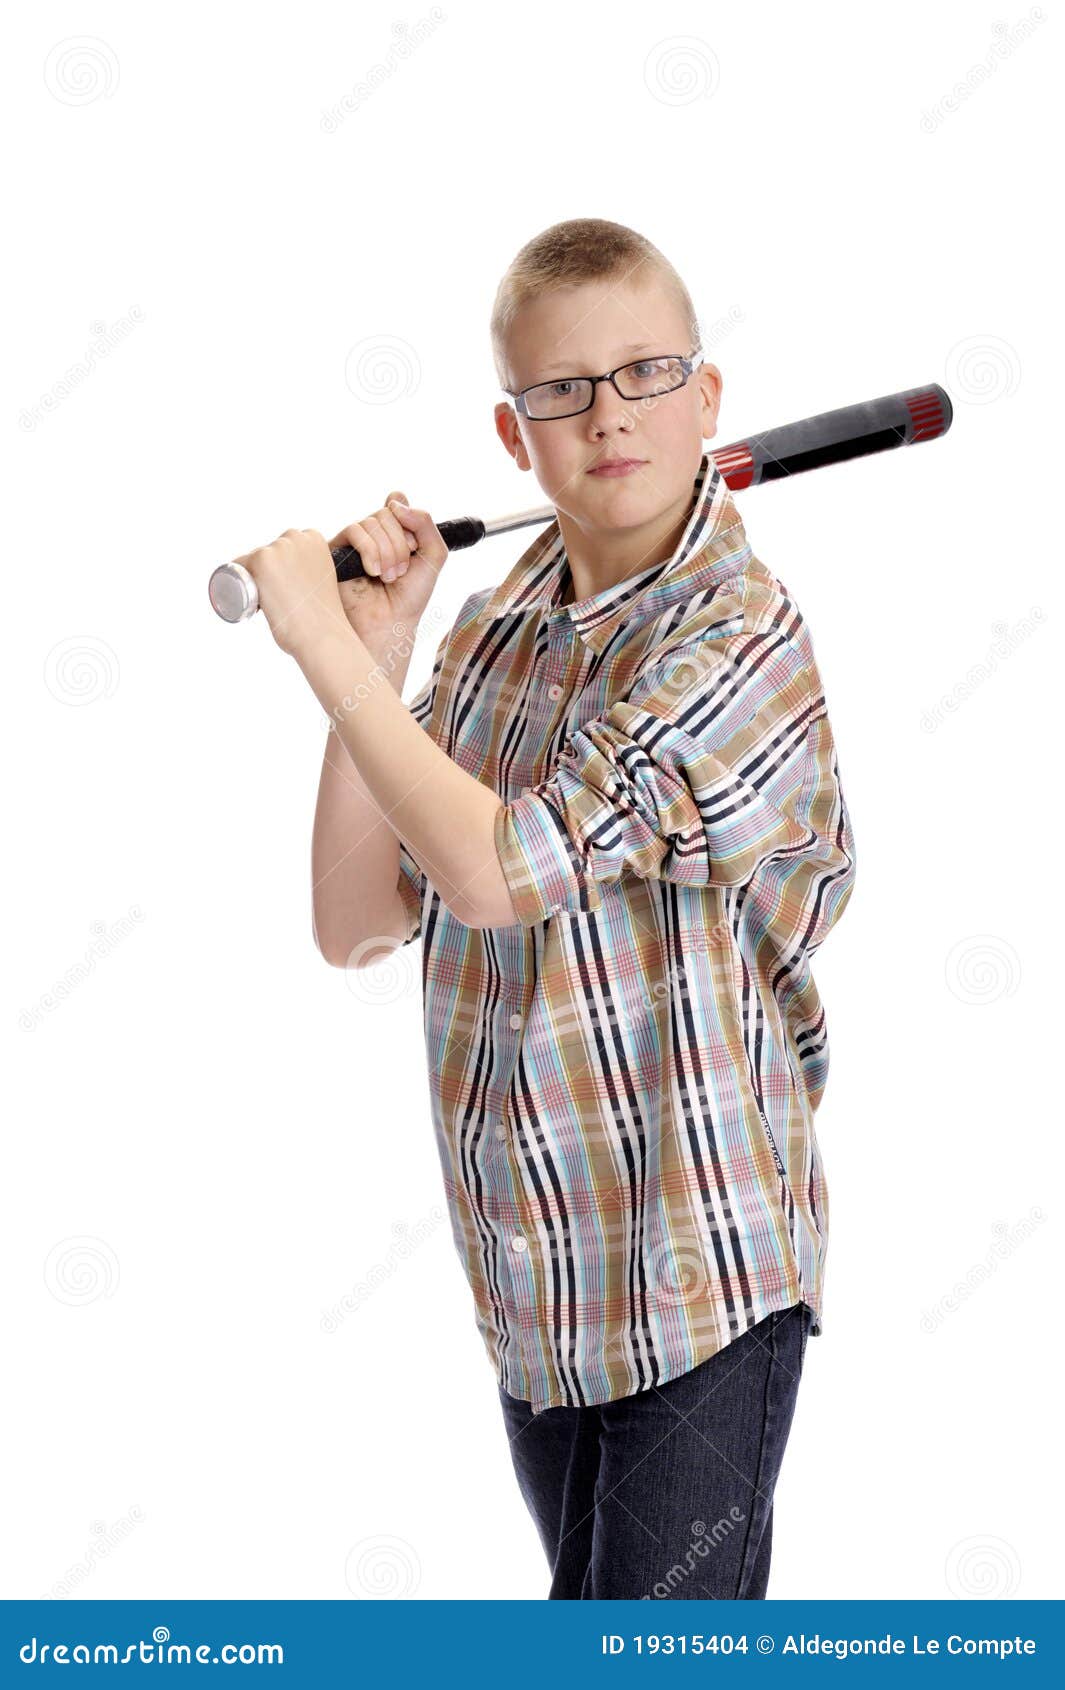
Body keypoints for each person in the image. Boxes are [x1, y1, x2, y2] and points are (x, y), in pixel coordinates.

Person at [238, 217, 857, 1600]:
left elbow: (496, 869)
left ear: (705, 401)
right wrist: (384, 655)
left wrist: (323, 650)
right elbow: (357, 917)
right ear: (514, 437)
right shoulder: (496, 634)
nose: (609, 414)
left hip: (697, 1278)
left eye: (644, 373)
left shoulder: (737, 635)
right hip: (539, 1286)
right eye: (562, 390)